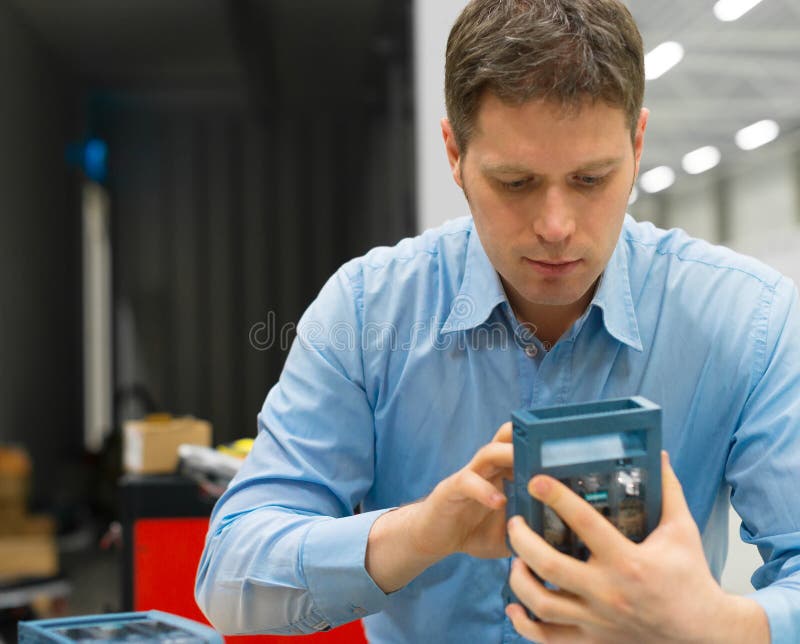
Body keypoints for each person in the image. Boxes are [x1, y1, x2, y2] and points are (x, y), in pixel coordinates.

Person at [195, 0, 800, 641]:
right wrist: (422, 532)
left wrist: (717, 626)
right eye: (515, 182)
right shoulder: (368, 309)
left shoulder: (747, 322)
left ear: (638, 143)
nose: (556, 226)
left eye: (592, 179)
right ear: (454, 153)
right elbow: (231, 576)